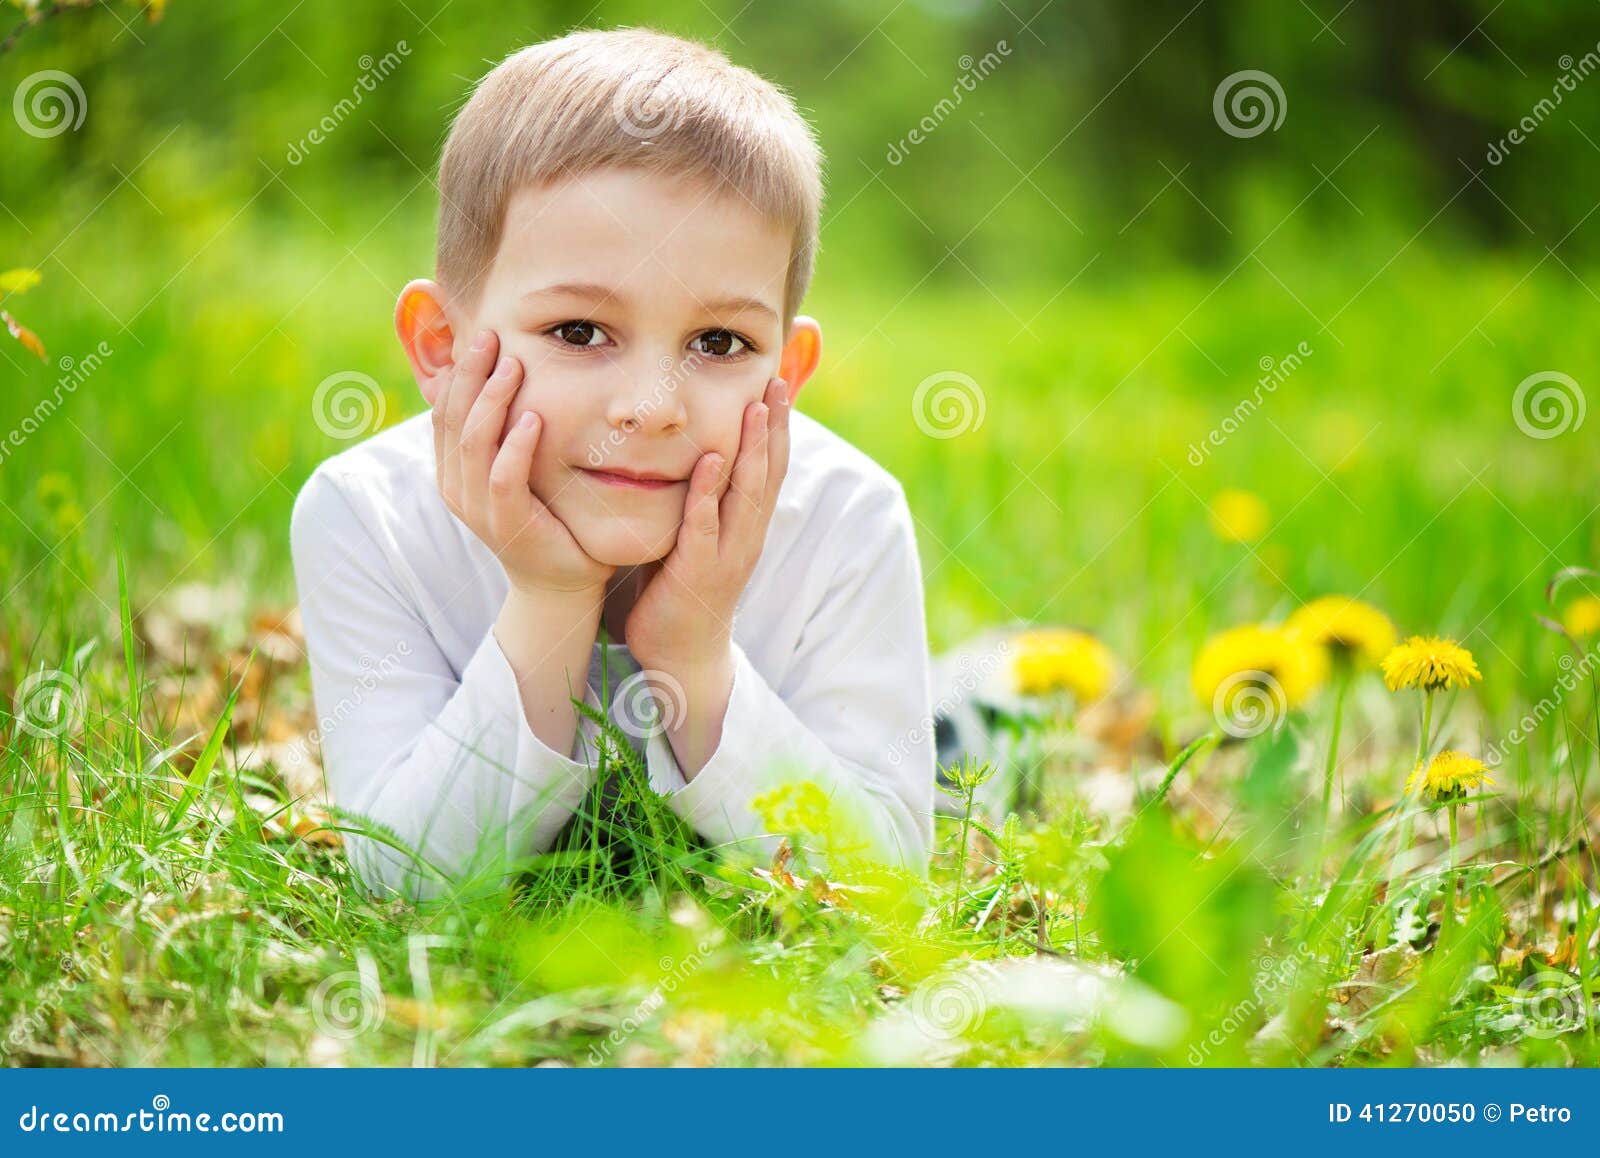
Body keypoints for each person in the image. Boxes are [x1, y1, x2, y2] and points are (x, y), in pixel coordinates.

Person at [289, 28, 933, 900]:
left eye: (718, 341)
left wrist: (694, 658)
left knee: (987, 731)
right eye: (580, 332)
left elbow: (884, 884)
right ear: (442, 348)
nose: (651, 405)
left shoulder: (847, 517)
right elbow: (403, 879)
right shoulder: (366, 516)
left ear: (786, 374)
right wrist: (550, 601)